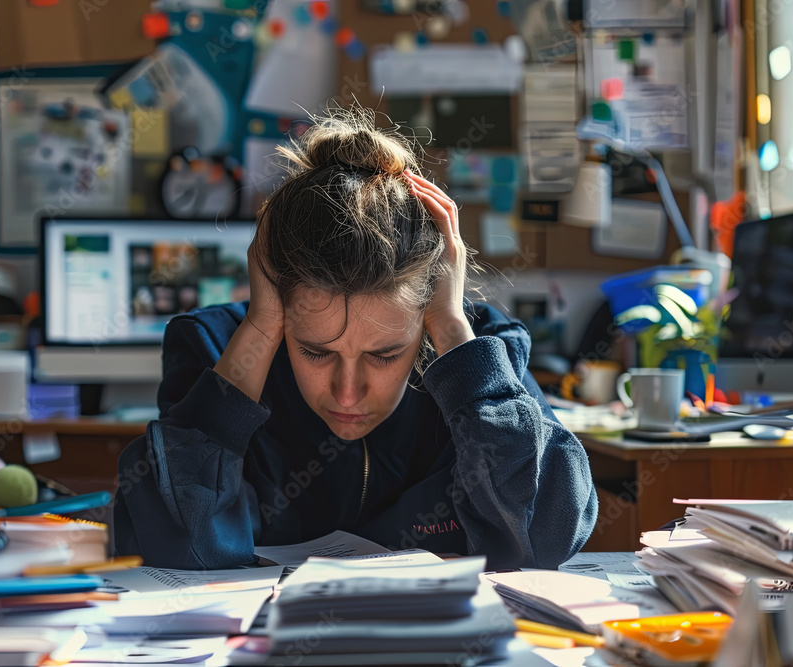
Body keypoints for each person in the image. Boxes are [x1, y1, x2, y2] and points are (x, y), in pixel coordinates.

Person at [114, 109, 598, 570]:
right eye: (315, 351)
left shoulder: (479, 354)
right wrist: (260, 329)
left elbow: (545, 537)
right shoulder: (216, 349)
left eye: (385, 354)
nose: (348, 394)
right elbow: (167, 545)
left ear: (427, 314)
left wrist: (452, 328)